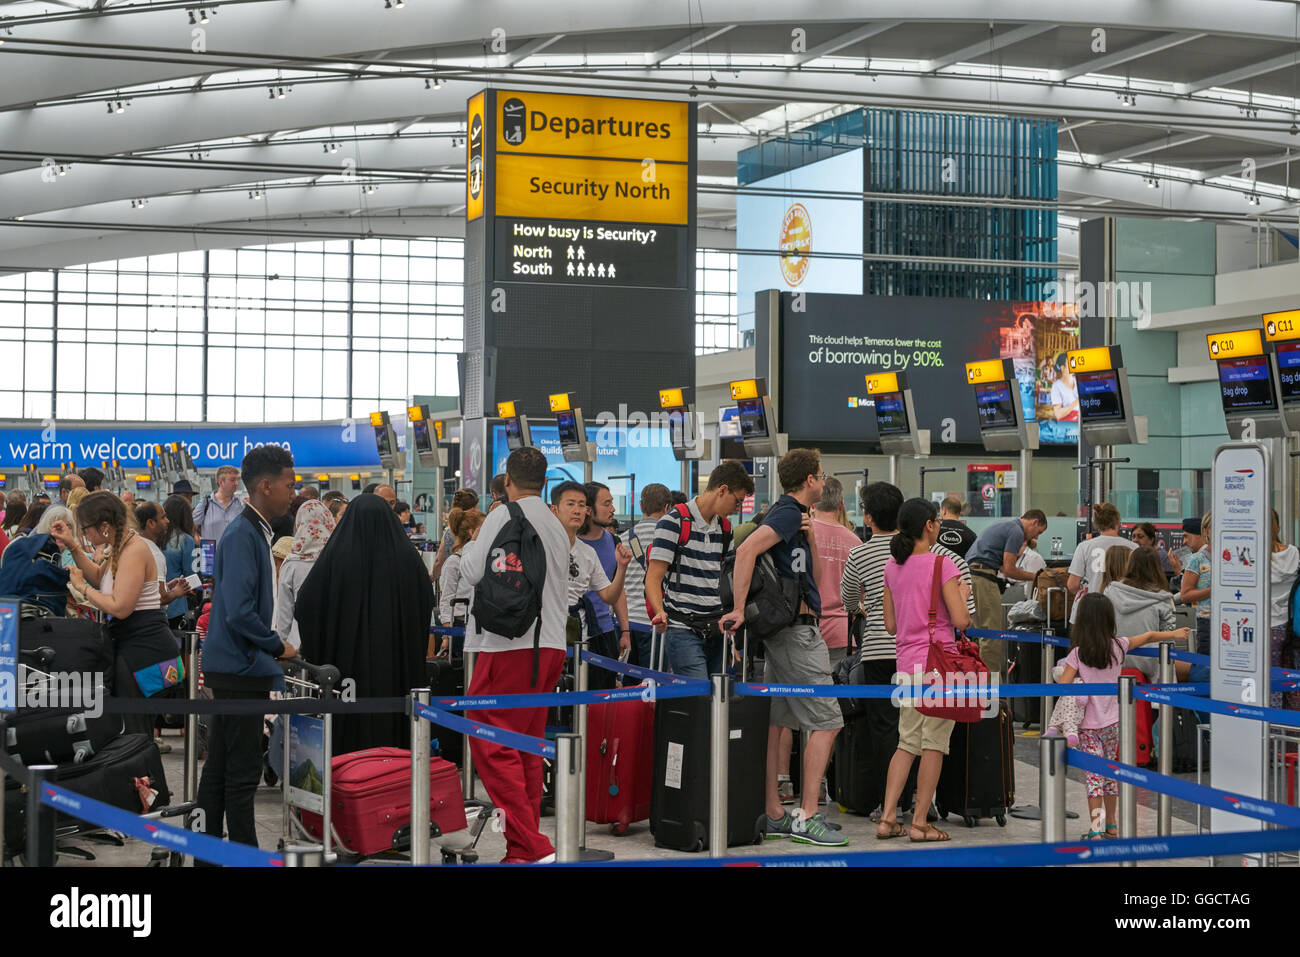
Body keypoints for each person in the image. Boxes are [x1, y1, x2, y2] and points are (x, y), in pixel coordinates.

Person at [721, 448, 846, 848]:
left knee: (777, 722)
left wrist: (809, 537)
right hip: (795, 633)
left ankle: (774, 812)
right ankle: (807, 816)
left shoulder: (794, 518)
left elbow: (817, 581)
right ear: (809, 479)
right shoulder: (788, 512)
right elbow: (745, 551)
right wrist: (739, 608)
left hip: (787, 630)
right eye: (821, 475)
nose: (824, 481)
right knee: (827, 721)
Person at [457, 448, 573, 864]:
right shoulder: (557, 525)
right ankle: (522, 848)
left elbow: (471, 571)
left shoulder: (503, 516)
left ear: (507, 480)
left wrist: (474, 543)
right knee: (523, 747)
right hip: (551, 645)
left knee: (489, 739)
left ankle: (534, 845)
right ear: (543, 480)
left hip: (509, 645)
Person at [192, 447, 298, 861]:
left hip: (238, 668)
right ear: (266, 486)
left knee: (219, 771)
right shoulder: (243, 535)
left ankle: (207, 854)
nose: (292, 493)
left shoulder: (253, 532)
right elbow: (238, 612)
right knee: (239, 776)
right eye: (288, 485)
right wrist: (277, 645)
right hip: (239, 670)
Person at [296, 494, 432, 752]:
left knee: (348, 727)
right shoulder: (407, 559)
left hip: (347, 674)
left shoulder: (336, 557)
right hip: (395, 672)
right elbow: (425, 601)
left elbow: (306, 605)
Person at [874, 497, 973, 843]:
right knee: (934, 744)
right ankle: (919, 823)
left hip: (905, 666)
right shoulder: (942, 566)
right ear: (929, 525)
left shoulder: (891, 567)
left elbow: (889, 624)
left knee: (906, 742)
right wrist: (961, 592)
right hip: (938, 668)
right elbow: (962, 620)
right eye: (937, 523)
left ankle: (887, 818)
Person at [52, 493, 188, 735]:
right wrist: (72, 546)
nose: (85, 536)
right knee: (132, 732)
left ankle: (144, 774)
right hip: (138, 648)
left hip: (145, 652)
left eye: (86, 529)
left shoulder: (133, 550)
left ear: (104, 526)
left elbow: (120, 607)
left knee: (135, 734)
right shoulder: (121, 545)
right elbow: (98, 576)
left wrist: (82, 588)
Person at [1057, 593, 1187, 838]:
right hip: (1114, 722)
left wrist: (1063, 673)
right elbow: (1149, 636)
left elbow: (1063, 685)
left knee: (1094, 777)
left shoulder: (1077, 654)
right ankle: (1112, 824)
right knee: (1109, 773)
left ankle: (1096, 828)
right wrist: (1174, 634)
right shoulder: (1119, 645)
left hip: (1087, 726)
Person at [645, 461, 753, 681]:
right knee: (698, 698)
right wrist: (659, 612)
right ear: (723, 490)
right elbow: (653, 578)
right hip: (682, 627)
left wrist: (731, 637)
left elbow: (725, 580)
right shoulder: (673, 522)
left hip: (717, 629)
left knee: (717, 700)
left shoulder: (725, 528)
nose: (738, 508)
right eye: (738, 501)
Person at [841, 482, 905, 817]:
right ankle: (918, 800)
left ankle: (888, 802)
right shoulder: (917, 550)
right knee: (917, 723)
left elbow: (848, 599)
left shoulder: (860, 553)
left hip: (878, 649)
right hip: (915, 649)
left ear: (868, 516)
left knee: (884, 727)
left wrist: (866, 606)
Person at [550, 482, 632, 659]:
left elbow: (610, 594)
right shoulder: (542, 545)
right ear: (554, 510)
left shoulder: (592, 551)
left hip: (589, 633)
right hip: (548, 636)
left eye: (581, 505)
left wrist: (622, 567)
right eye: (571, 504)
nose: (577, 510)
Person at [966, 508, 1049, 672]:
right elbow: (1010, 570)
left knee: (981, 634)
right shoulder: (1016, 531)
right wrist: (1038, 577)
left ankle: (981, 682)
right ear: (1034, 522)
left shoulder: (1007, 526)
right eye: (1038, 532)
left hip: (973, 576)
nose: (1036, 537)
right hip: (983, 579)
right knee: (992, 636)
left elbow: (1004, 568)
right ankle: (992, 689)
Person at [576, 481, 630, 674]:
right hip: (574, 632)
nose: (612, 509)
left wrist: (625, 631)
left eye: (611, 503)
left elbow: (617, 590)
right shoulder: (570, 543)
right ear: (589, 510)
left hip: (605, 631)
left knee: (603, 696)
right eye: (606, 504)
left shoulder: (614, 542)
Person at [618, 483, 672, 669]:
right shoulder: (668, 537)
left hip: (625, 622)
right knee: (653, 681)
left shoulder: (623, 538)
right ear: (667, 508)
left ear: (641, 507)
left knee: (627, 683)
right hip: (655, 622)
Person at [1104, 546, 1178, 681]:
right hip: (1151, 661)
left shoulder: (1110, 591)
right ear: (1157, 567)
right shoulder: (1163, 598)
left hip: (1115, 657)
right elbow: (1169, 636)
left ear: (1130, 564)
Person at [272, 500, 336, 653]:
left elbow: (284, 613)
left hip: (299, 643)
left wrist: (280, 646)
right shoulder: (340, 559)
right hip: (333, 641)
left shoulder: (292, 564)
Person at [1066, 504, 1139, 623]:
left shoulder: (1084, 547)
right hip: (1122, 611)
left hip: (1089, 611)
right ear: (1118, 521)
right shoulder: (1133, 547)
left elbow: (1072, 585)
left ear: (1096, 524)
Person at [434, 506, 484, 656]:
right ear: (472, 532)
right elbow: (446, 599)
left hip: (480, 623)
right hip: (460, 624)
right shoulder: (454, 562)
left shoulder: (486, 559)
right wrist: (447, 635)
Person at [1269, 509, 1299, 709]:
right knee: (1292, 684)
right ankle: (1292, 736)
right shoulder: (1294, 553)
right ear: (1278, 528)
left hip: (1267, 626)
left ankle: (1272, 736)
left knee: (1271, 686)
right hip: (1290, 627)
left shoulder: (1256, 558)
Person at [162, 494, 198, 629]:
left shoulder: (154, 537)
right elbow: (190, 574)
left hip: (154, 602)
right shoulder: (186, 540)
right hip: (176, 604)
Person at [1179, 513, 1212, 657]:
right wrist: (1214, 590)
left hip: (1235, 619)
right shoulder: (1197, 559)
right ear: (1205, 531)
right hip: (1208, 621)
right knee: (1207, 669)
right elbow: (1185, 595)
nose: (1184, 542)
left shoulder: (1236, 557)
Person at [433, 488, 479, 578]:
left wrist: (433, 576)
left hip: (453, 582)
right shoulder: (479, 529)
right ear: (474, 508)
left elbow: (439, 561)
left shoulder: (450, 532)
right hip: (475, 583)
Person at [193, 464, 245, 542]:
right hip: (213, 553)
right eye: (232, 480)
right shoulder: (205, 504)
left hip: (235, 553)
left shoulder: (241, 505)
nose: (236, 483)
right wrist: (199, 540)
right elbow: (191, 528)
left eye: (237, 480)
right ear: (221, 482)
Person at [1050, 352, 1079, 421]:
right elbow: (1058, 415)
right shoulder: (1056, 386)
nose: (1073, 365)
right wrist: (1077, 402)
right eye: (1070, 363)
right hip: (1067, 425)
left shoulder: (1079, 382)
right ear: (1062, 368)